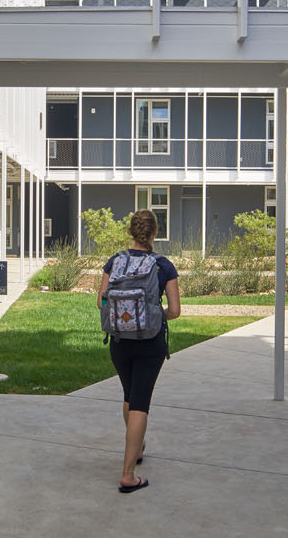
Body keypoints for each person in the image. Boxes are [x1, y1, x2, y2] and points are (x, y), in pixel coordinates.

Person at [97, 207, 180, 494]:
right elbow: (176, 311)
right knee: (141, 403)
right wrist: (153, 315)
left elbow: (102, 303)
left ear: (132, 232)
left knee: (129, 395)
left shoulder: (114, 262)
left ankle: (136, 448)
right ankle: (128, 475)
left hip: (119, 341)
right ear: (155, 233)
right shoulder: (163, 266)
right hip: (150, 343)